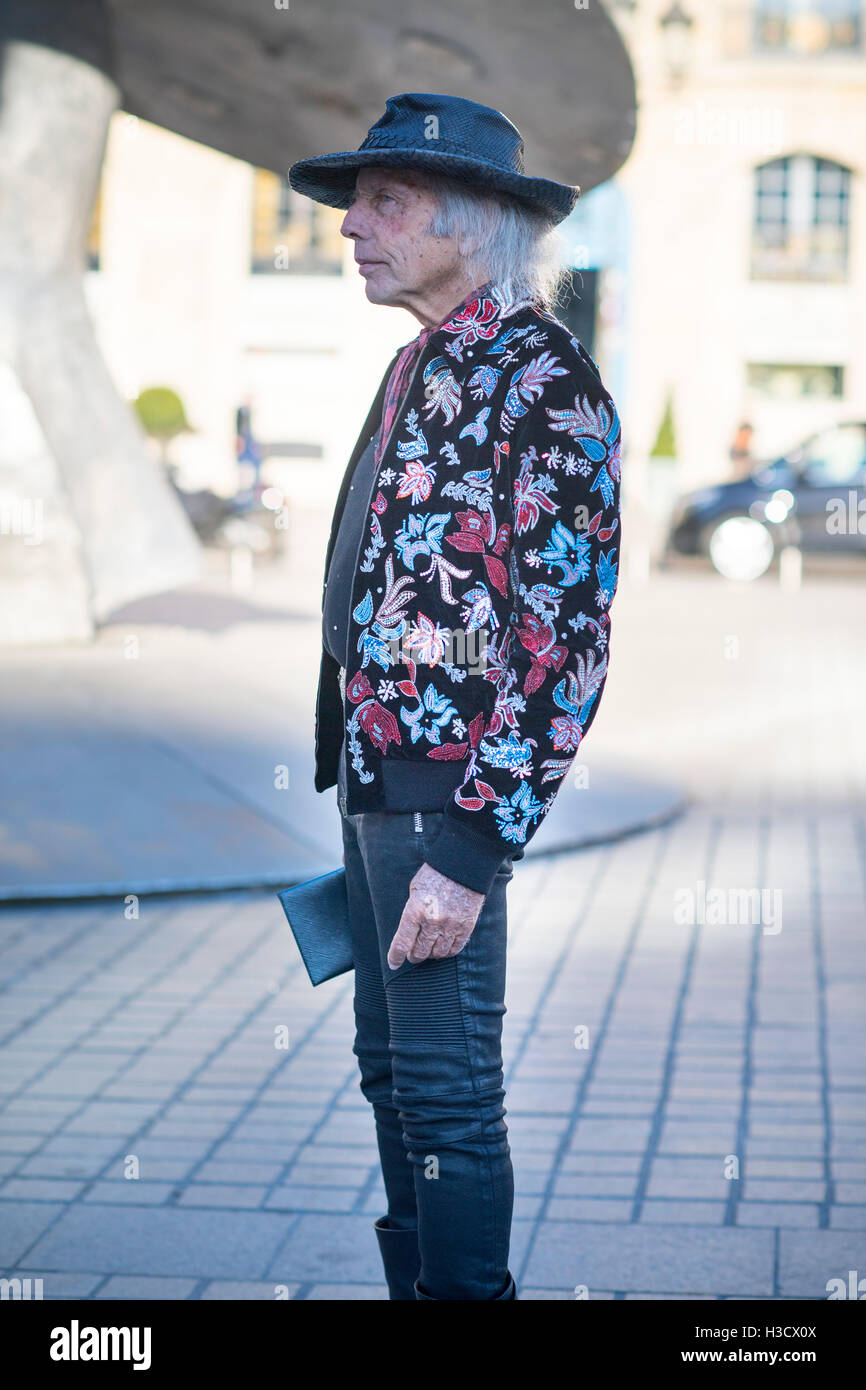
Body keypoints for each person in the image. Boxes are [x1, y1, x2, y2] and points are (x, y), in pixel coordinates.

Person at [289, 91, 622, 1301]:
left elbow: (564, 643)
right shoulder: (417, 365)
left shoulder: (543, 379)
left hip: (447, 806)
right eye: (354, 204)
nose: (350, 228)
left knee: (444, 1091)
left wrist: (475, 842)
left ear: (472, 220)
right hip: (379, 786)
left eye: (383, 201)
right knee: (393, 1076)